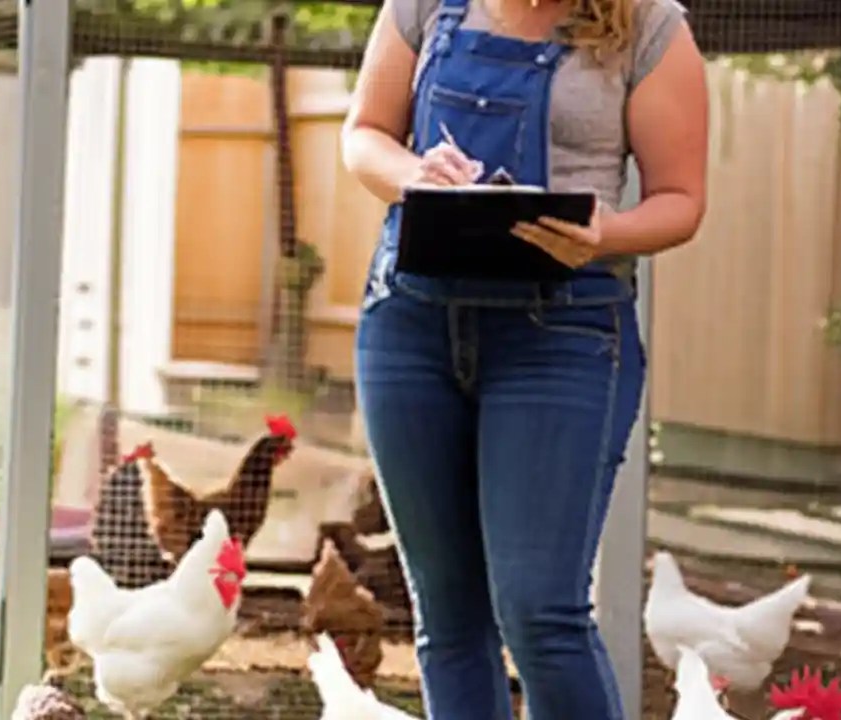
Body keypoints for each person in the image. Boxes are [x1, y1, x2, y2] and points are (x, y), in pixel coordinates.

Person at [341, 0, 707, 718]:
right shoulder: (422, 7)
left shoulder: (649, 26)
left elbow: (683, 200)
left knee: (540, 612)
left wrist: (608, 232)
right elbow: (364, 136)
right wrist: (416, 175)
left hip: (560, 337)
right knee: (447, 619)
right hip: (410, 328)